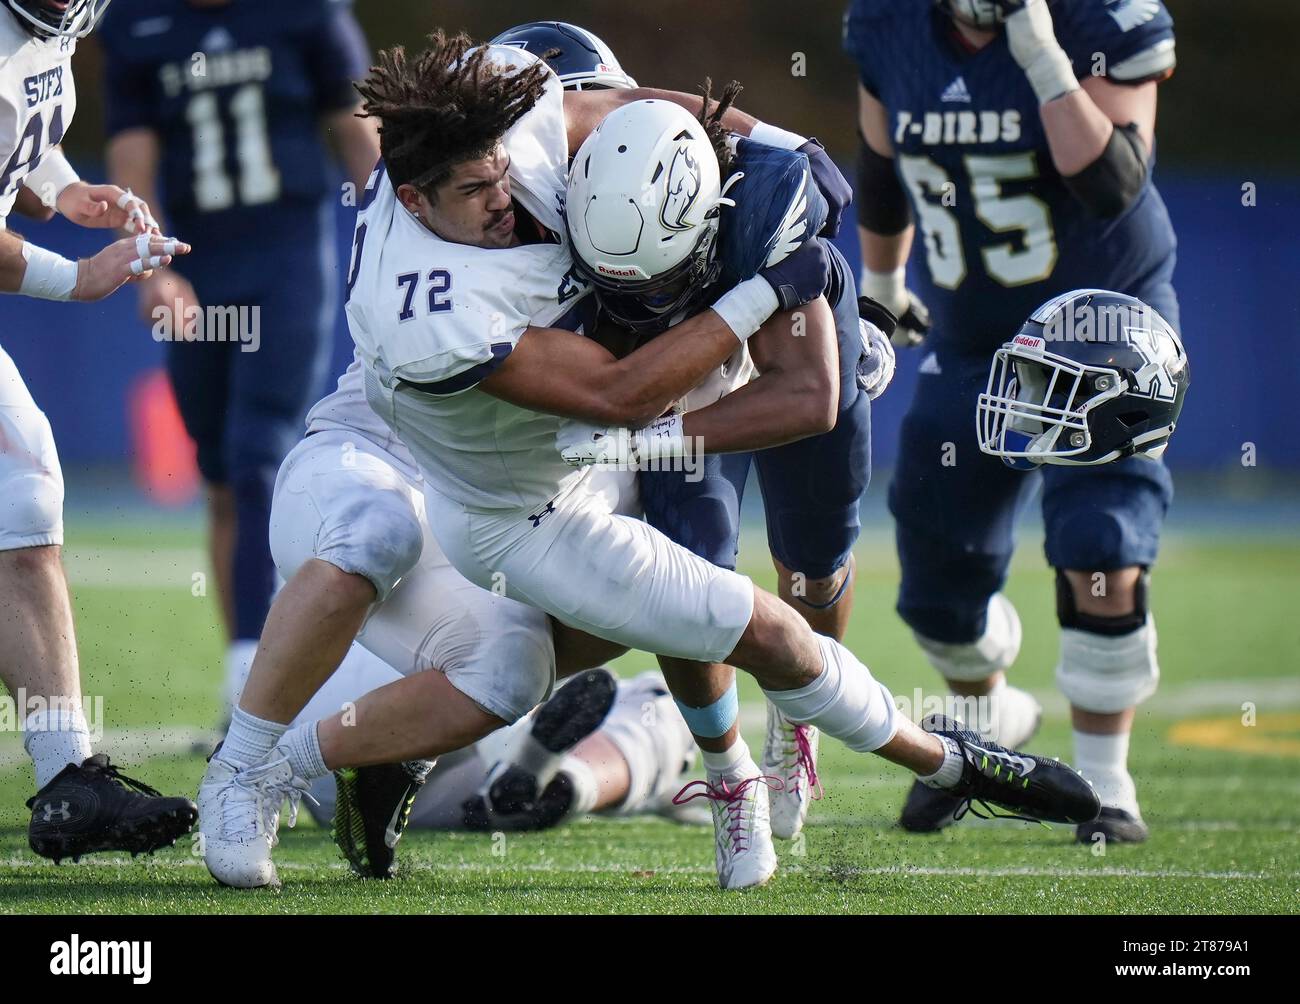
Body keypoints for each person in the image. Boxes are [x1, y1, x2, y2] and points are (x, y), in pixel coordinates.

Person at [345, 34, 1098, 889]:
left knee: (813, 564)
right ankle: (728, 771)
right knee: (692, 568)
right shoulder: (536, 197)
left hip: (745, 367)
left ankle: (796, 729)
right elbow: (610, 386)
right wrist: (636, 408)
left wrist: (654, 424)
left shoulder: (755, 207)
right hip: (645, 390)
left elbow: (803, 399)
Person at [844, 0, 1180, 842]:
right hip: (976, 330)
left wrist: (1040, 54)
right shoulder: (886, 24)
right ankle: (992, 726)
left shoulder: (1104, 21)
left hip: (1101, 318)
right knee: (934, 579)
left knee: (1101, 541)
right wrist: (883, 285)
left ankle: (1106, 783)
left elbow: (1111, 183)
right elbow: (882, 168)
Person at [98, 0, 381, 715]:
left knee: (260, 456)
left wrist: (391, 227)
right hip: (195, 260)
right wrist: (149, 264)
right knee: (221, 472)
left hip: (287, 256)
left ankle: (255, 685)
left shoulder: (302, 10)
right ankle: (244, 674)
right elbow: (133, 149)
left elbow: (355, 121)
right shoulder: (137, 21)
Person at [0, 0, 197, 862]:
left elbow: (21, 139)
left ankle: (69, 779)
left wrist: (65, 189)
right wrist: (76, 279)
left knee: (24, 493)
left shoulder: (58, 23)